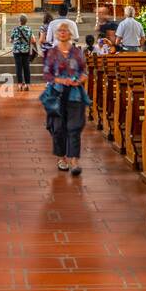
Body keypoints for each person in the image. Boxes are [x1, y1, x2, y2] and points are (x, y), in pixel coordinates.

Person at [42, 20, 88, 176]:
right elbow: (47, 74)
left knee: (74, 127)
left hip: (75, 94)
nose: (62, 32)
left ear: (70, 34)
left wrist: (79, 80)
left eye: (65, 30)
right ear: (56, 34)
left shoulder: (77, 52)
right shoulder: (52, 53)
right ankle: (61, 158)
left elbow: (84, 72)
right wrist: (62, 80)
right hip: (57, 93)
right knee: (58, 128)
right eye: (60, 30)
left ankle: (74, 161)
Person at [10, 14, 33, 92]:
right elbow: (32, 40)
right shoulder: (29, 29)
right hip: (26, 51)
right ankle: (27, 85)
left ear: (19, 21)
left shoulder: (15, 29)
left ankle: (19, 85)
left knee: (18, 68)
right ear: (26, 21)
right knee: (26, 67)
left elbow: (11, 40)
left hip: (17, 51)